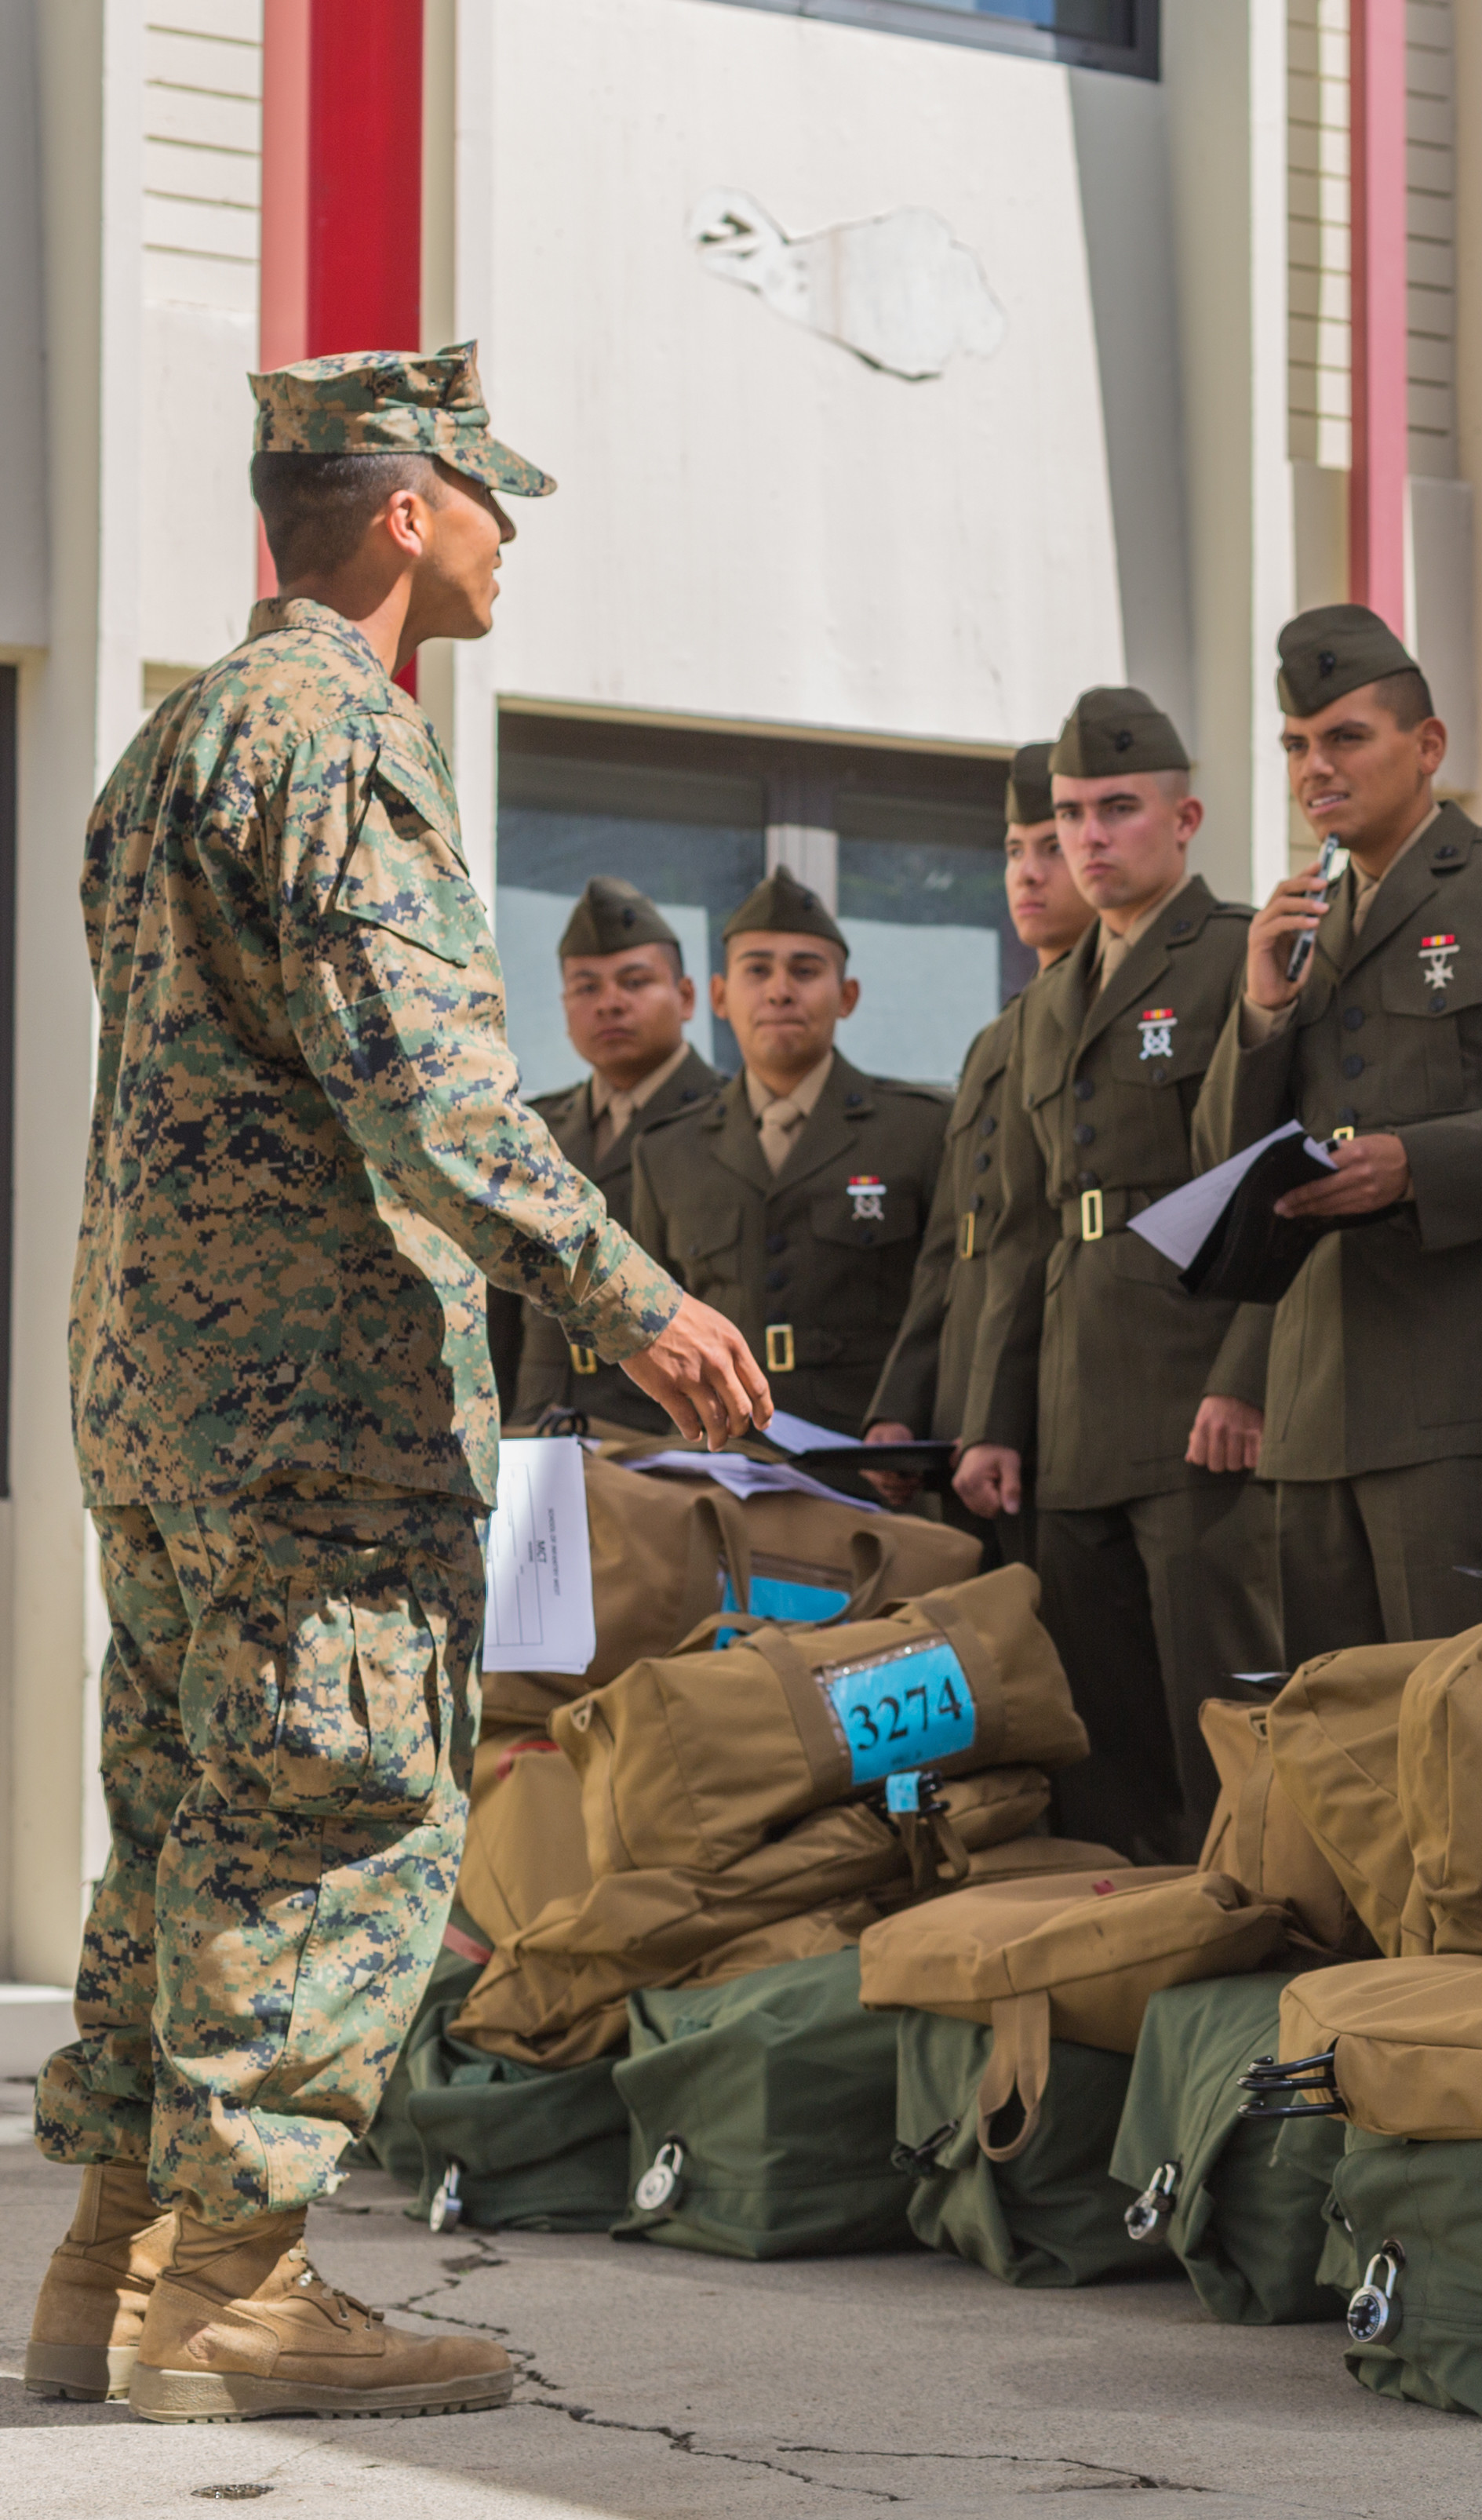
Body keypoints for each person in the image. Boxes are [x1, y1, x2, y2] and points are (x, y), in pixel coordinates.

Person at [31, 345, 766, 2425]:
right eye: (492, 497)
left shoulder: (170, 744)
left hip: (158, 1374)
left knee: (186, 1807)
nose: (513, 535)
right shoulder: (339, 739)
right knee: (334, 1811)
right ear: (407, 514)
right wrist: (633, 1298)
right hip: (316, 1385)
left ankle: (113, 2260)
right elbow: (432, 1091)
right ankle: (235, 2292)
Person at [1204, 606, 1482, 1661]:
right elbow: (1226, 1166)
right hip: (1315, 1412)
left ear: (1428, 747)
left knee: (1481, 1729)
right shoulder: (1302, 925)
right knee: (1344, 1750)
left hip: (1469, 1399)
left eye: (1346, 737)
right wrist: (1261, 1011)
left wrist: (1418, 1165)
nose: (1316, 767)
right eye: (1296, 747)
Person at [955, 688, 1276, 1857]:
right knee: (1101, 1728)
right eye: (1070, 813)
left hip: (1194, 1397)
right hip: (1073, 1412)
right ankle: (1130, 1946)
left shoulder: (1235, 955)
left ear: (1184, 818)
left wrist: (1246, 1375)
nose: (1089, 838)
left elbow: (1267, 1184)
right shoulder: (1049, 999)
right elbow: (1025, 1228)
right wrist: (995, 1417)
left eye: (1117, 810)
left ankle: (1241, 1930)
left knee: (1218, 1715)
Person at [621, 871, 949, 1438]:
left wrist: (903, 1418)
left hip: (865, 1456)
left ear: (847, 996)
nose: (779, 990)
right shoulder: (666, 1151)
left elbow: (947, 1298)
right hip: (722, 1459)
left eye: (805, 970)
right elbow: (654, 1324)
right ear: (720, 996)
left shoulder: (920, 1130)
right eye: (757, 970)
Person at [865, 742, 1088, 1540]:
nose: (1028, 874)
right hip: (963, 1417)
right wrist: (901, 1407)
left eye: (1052, 850)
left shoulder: (1103, 1022)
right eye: (1013, 852)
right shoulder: (994, 1040)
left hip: (1062, 1407)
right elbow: (951, 1252)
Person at [497, 876, 720, 1426]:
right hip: (539, 1433)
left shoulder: (732, 1124)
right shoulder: (534, 1130)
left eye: (635, 981)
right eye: (587, 987)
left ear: (686, 997)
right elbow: (498, 1313)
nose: (610, 1003)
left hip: (668, 1441)